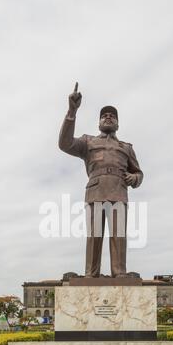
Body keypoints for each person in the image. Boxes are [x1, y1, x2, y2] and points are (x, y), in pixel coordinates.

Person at [59, 83, 143, 278]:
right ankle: (91, 273)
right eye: (104, 115)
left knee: (118, 235)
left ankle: (119, 273)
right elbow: (64, 144)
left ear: (117, 124)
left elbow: (138, 172)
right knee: (95, 235)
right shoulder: (88, 142)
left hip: (119, 192)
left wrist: (135, 177)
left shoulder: (126, 147)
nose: (108, 117)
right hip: (95, 192)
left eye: (112, 115)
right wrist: (72, 110)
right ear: (99, 123)